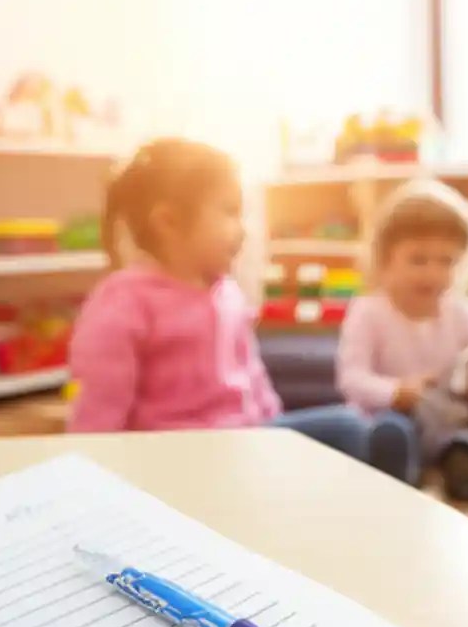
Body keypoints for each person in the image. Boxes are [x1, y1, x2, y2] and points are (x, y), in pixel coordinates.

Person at [67, 138, 368, 459]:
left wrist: (278, 434)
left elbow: (252, 372)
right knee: (347, 432)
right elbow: (99, 408)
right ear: (168, 222)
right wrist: (94, 468)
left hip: (246, 440)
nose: (243, 230)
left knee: (349, 426)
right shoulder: (125, 302)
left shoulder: (228, 293)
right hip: (180, 456)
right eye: (229, 213)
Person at [336, 180, 468, 496]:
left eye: (447, 262)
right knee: (393, 432)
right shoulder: (369, 313)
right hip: (385, 417)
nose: (433, 273)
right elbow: (351, 378)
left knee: (454, 428)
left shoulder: (462, 312)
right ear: (385, 259)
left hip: (446, 414)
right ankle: (404, 469)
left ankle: (459, 465)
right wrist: (395, 391)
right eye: (418, 260)